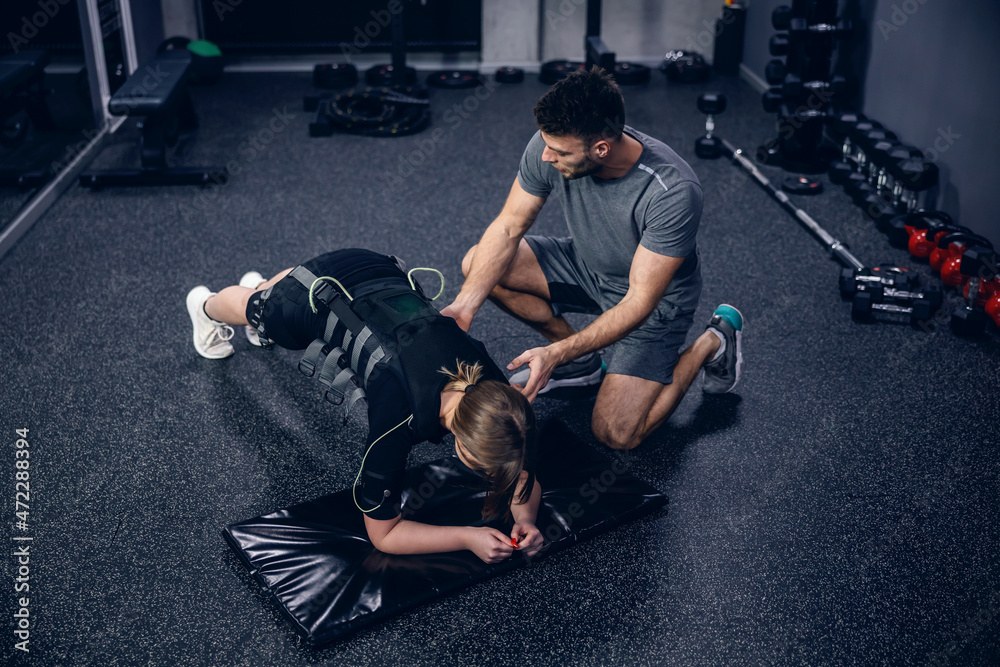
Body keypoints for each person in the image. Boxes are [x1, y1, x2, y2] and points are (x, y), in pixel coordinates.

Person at [441, 66, 744, 451]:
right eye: (546, 144)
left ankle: (712, 341)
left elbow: (638, 301)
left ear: (601, 148)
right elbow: (508, 227)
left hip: (654, 304)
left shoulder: (672, 191)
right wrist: (464, 307)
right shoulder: (549, 143)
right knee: (479, 265)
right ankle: (581, 367)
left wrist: (552, 354)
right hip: (585, 264)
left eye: (560, 151)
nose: (546, 155)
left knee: (617, 434)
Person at [185, 248, 542, 563]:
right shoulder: (398, 413)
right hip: (314, 296)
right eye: (488, 467)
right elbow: (384, 535)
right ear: (461, 446)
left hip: (373, 267)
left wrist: (525, 521)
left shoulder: (495, 393)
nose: (500, 476)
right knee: (260, 312)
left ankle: (270, 286)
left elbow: (520, 473)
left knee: (287, 289)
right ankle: (205, 307)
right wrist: (468, 537)